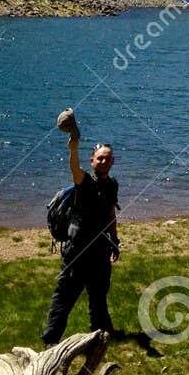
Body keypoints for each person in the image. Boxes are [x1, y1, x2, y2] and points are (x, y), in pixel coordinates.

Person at [41, 108, 120, 346]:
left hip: (100, 250)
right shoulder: (83, 181)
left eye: (107, 158)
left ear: (112, 161)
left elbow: (110, 215)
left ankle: (100, 334)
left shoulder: (112, 185)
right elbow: (73, 167)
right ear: (92, 161)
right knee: (65, 295)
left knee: (99, 295)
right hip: (77, 250)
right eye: (100, 158)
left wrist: (115, 241)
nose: (103, 161)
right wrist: (73, 144)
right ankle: (50, 340)